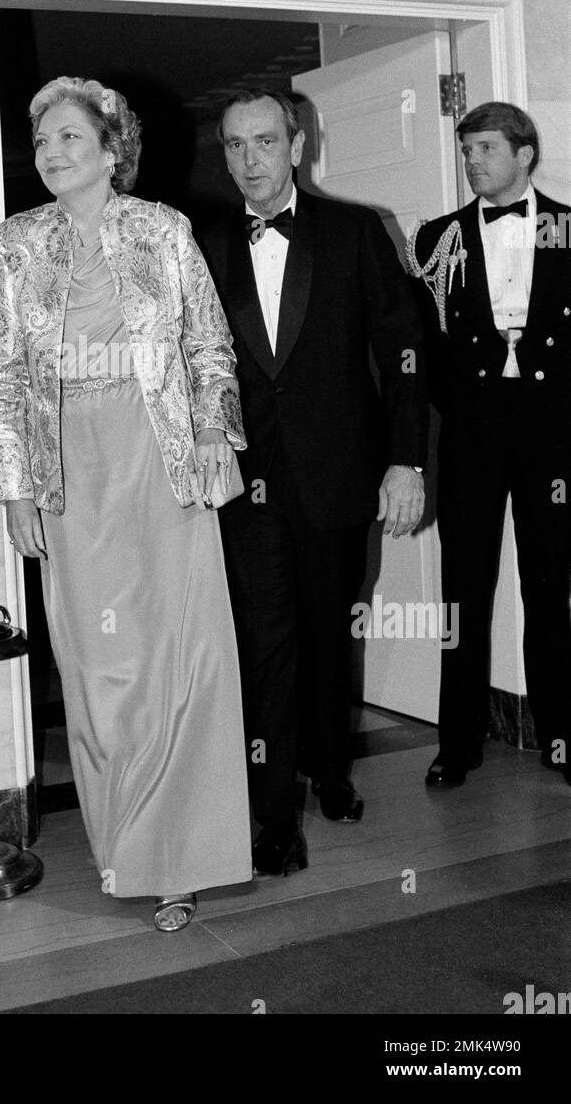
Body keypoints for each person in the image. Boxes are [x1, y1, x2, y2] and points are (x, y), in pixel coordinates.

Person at [0, 76, 253, 930]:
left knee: (181, 662)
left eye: (68, 137)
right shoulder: (17, 244)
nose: (52, 153)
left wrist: (213, 435)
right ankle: (122, 845)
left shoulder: (164, 231)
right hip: (70, 476)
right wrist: (13, 488)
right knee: (101, 675)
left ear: (110, 148)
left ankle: (176, 863)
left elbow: (209, 341)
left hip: (159, 462)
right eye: (43, 140)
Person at [201, 88, 428, 877]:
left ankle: (329, 771)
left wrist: (406, 462)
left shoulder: (356, 231)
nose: (249, 160)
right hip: (243, 482)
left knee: (330, 634)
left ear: (298, 146)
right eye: (234, 145)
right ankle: (272, 822)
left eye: (264, 141)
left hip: (338, 478)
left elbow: (403, 355)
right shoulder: (201, 243)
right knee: (266, 643)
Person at [408, 102, 571, 788]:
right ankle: (458, 739)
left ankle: (561, 735)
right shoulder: (434, 238)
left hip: (552, 435)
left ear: (525, 154)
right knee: (462, 592)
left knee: (550, 586)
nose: (472, 160)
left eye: (485, 148)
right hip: (472, 432)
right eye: (466, 148)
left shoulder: (568, 228)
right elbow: (421, 345)